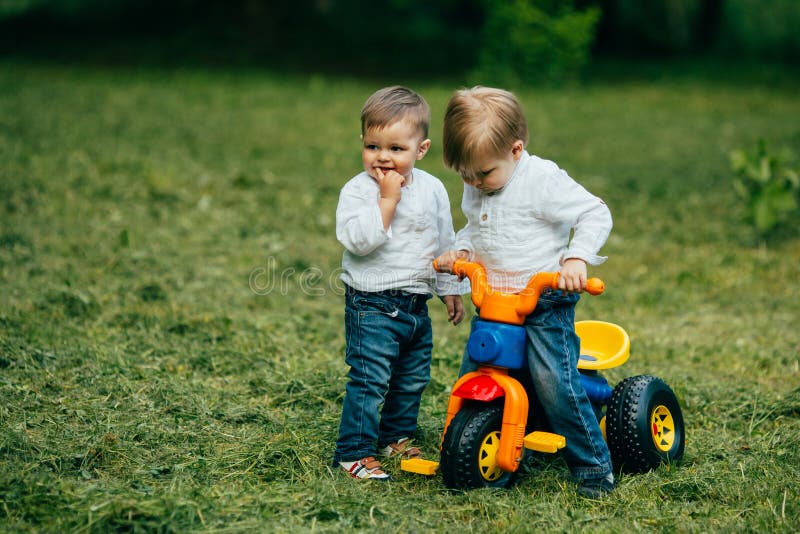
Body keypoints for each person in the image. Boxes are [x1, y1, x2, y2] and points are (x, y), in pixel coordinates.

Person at [434, 86, 615, 498]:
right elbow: (478, 229)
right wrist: (462, 251)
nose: (473, 183)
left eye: (483, 174)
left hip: (543, 302)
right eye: (464, 175)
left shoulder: (541, 180)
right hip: (495, 305)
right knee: (474, 373)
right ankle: (475, 445)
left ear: (516, 150)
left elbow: (594, 212)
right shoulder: (479, 179)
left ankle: (592, 465)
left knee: (554, 383)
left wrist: (576, 259)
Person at [333, 86, 465, 481]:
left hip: (415, 304)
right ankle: (354, 452)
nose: (383, 157)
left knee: (411, 378)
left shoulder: (432, 189)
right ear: (362, 142)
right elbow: (359, 241)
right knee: (370, 379)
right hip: (371, 304)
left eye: (396, 148)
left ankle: (395, 435)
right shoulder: (359, 191)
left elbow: (443, 241)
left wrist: (449, 288)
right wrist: (386, 201)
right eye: (373, 146)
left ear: (420, 149)